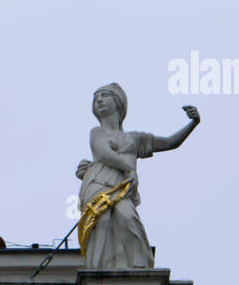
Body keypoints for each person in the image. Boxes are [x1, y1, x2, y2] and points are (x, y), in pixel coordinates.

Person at [76, 84, 198, 269]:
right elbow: (103, 153)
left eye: (105, 95)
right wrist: (130, 169)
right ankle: (101, 269)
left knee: (127, 218)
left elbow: (169, 142)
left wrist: (193, 123)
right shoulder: (97, 132)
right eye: (96, 97)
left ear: (118, 102)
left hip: (123, 188)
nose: (99, 99)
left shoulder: (134, 138)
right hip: (99, 182)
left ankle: (137, 268)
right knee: (103, 221)